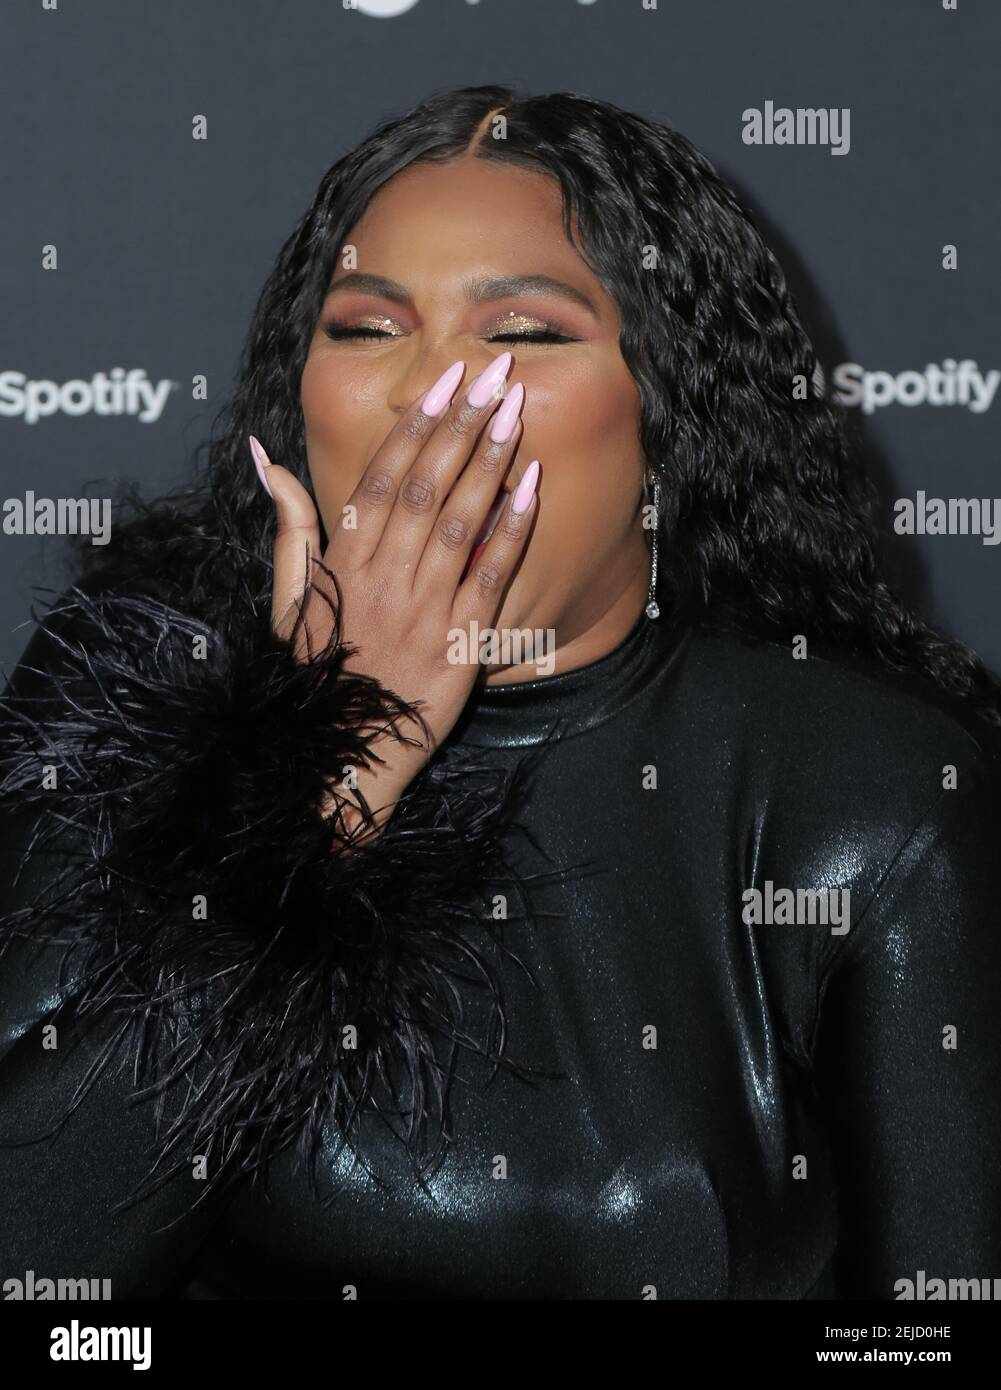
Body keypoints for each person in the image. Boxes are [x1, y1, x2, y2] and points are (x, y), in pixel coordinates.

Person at [1, 84, 1000, 1301]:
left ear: (668, 408)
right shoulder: (127, 701)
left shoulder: (867, 800)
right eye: (367, 330)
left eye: (521, 334)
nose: (429, 397)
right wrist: (332, 771)